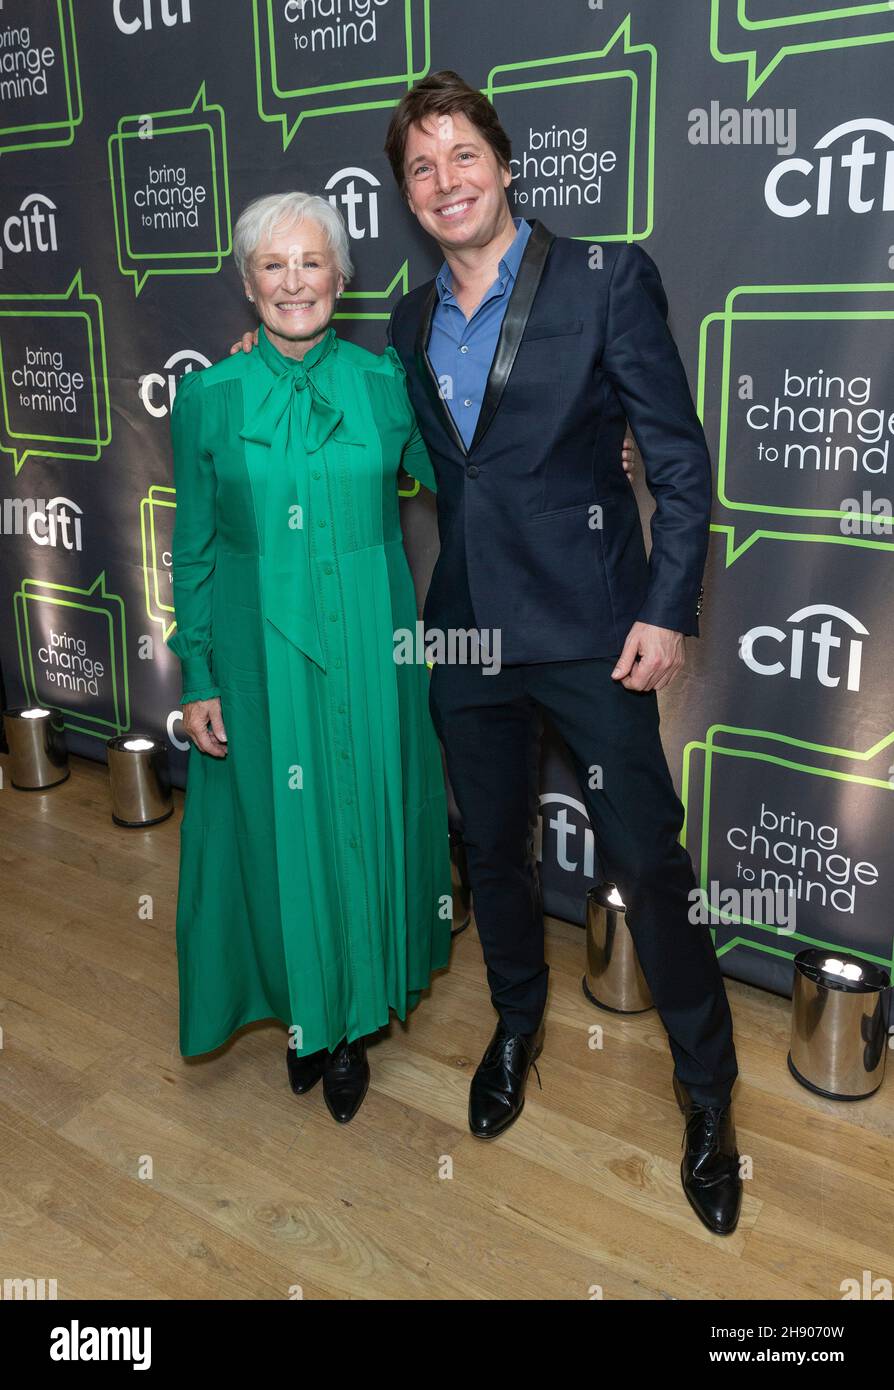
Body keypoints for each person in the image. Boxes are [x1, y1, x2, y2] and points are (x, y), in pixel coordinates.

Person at [231, 73, 741, 1237]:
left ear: (505, 166)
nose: (446, 180)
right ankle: (518, 1027)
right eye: (422, 166)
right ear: (406, 196)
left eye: (464, 155)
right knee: (492, 856)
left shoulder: (608, 278)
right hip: (464, 632)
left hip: (596, 638)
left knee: (648, 867)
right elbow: (360, 429)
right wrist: (255, 359)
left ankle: (708, 1098)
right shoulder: (407, 324)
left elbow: (679, 460)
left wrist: (669, 611)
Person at [168, 191, 452, 1124]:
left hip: (374, 644)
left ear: (341, 276)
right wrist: (199, 672)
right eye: (273, 266)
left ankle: (356, 1015)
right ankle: (309, 1016)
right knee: (277, 833)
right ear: (248, 285)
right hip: (258, 654)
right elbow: (197, 548)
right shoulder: (211, 397)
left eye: (312, 263)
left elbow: (458, 473)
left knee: (364, 812)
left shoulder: (382, 385)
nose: (295, 282)